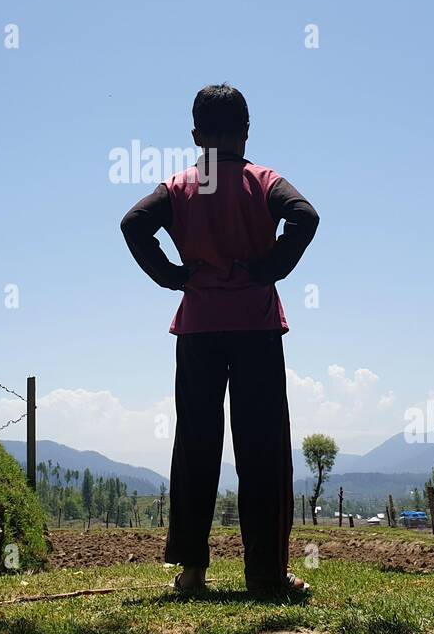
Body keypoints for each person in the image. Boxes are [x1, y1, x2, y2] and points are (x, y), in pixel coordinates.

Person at [120, 84, 319, 596]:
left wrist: (171, 276)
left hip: (198, 330)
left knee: (196, 446)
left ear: (195, 135)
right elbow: (305, 216)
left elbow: (133, 223)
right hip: (256, 329)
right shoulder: (263, 180)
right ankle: (266, 575)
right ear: (246, 132)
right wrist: (268, 268)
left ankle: (191, 572)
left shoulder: (181, 186)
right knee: (263, 449)